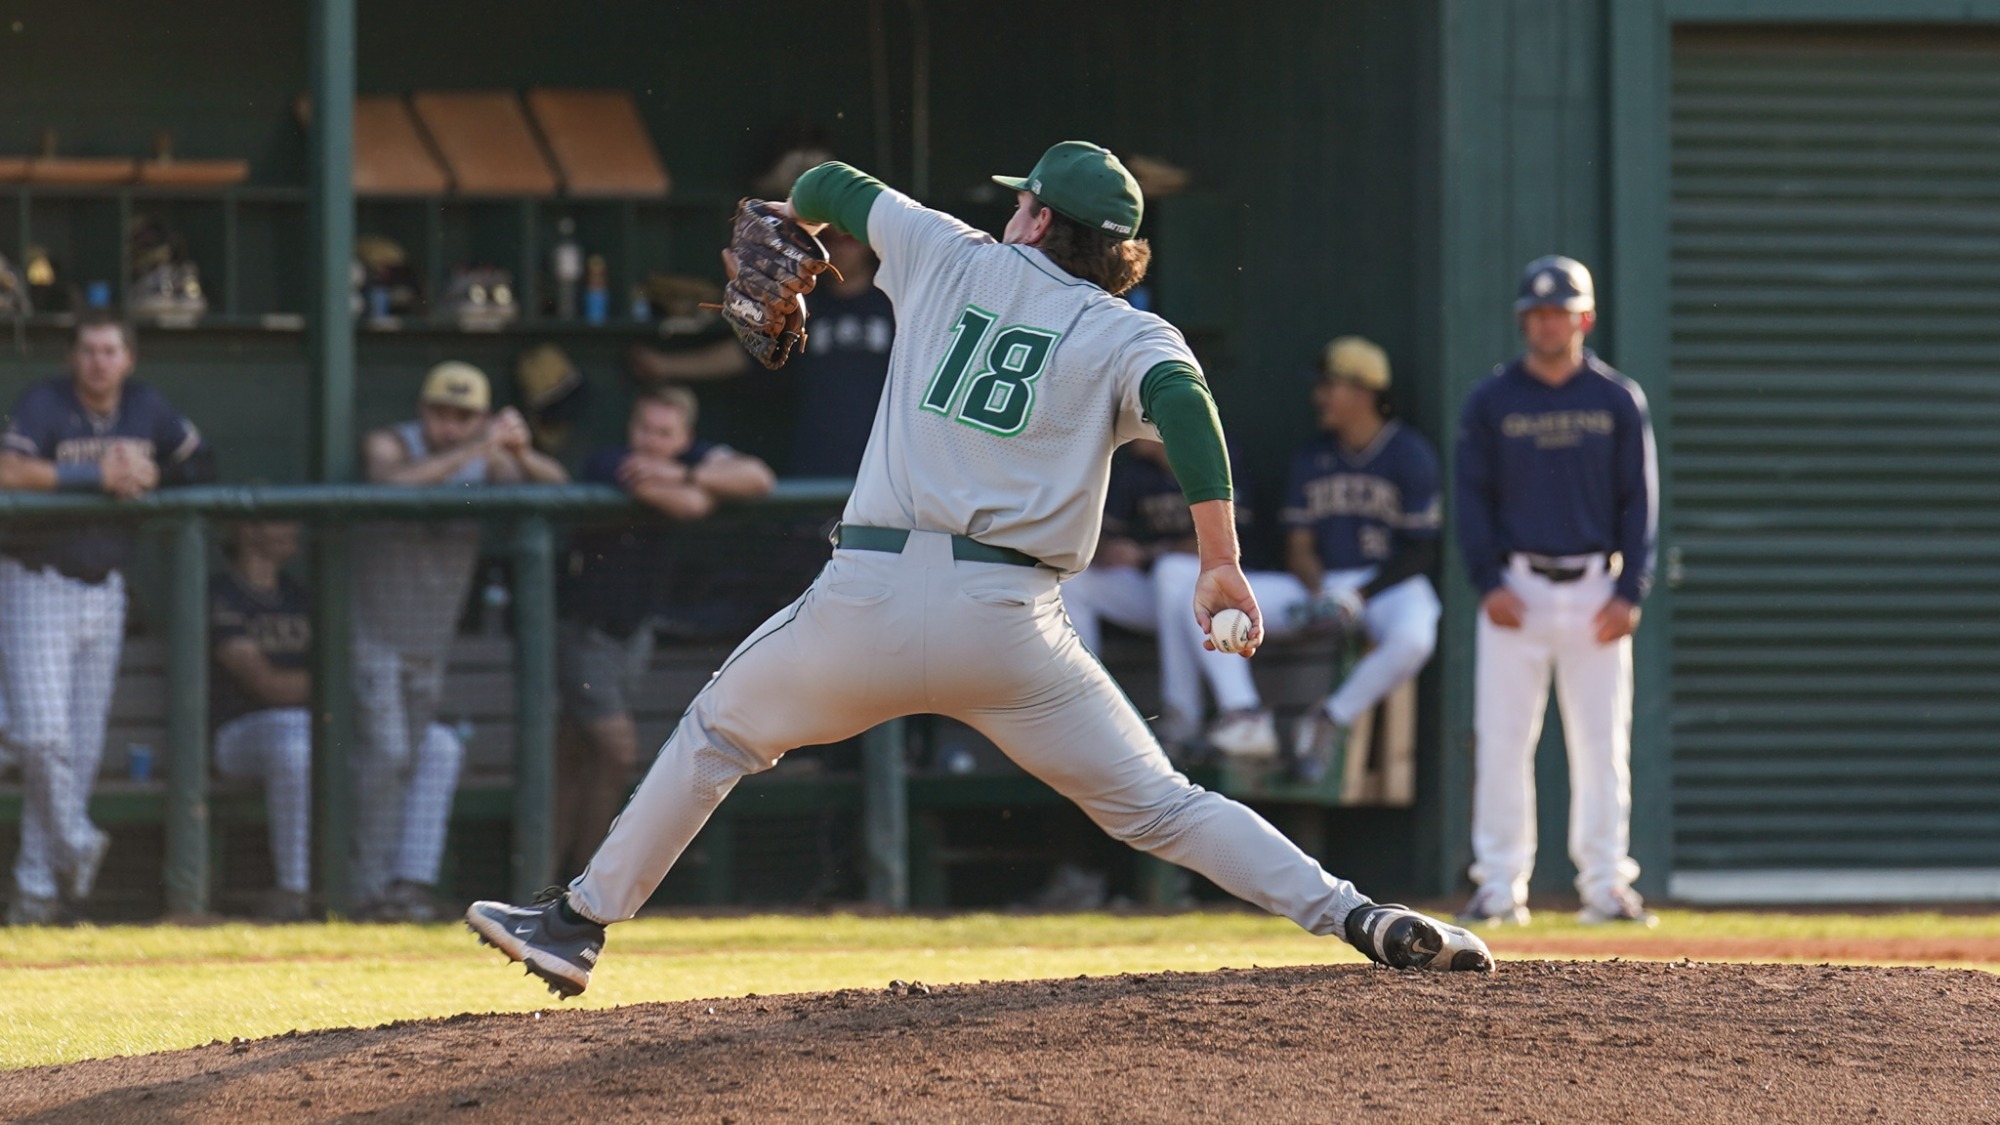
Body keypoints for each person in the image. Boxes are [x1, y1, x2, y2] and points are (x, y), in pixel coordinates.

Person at [468, 140, 1491, 993]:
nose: (1011, 215)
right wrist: (1217, 560)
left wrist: (799, 217)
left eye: (1023, 205)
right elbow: (1185, 407)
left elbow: (826, 182)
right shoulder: (1123, 328)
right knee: (1162, 806)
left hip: (867, 597)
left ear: (1040, 221)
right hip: (1011, 621)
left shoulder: (945, 252)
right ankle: (1355, 915)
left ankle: (578, 924)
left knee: (720, 735)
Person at [1454, 255, 1659, 928]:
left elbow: (1640, 499)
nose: (1548, 323)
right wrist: (1487, 579)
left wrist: (1631, 589)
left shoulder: (1617, 398)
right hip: (1517, 587)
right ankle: (1499, 884)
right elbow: (1472, 498)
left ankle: (1605, 886)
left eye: (1560, 312)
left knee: (1602, 746)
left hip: (1597, 587)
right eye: (1538, 313)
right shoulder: (1491, 400)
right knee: (1503, 742)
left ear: (1585, 318)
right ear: (1524, 320)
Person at [0, 314, 213, 926]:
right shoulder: (46, 402)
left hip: (105, 589)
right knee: (43, 738)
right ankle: (74, 841)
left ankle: (36, 888)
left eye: (110, 350)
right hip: (36, 578)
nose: (99, 361)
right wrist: (96, 475)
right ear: (74, 356)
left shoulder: (146, 407)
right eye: (89, 350)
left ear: (129, 359)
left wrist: (154, 474)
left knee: (83, 749)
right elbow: (9, 470)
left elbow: (202, 462)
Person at [1156, 338, 1444, 782]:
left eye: (1331, 386)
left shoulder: (1409, 454)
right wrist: (1320, 592)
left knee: (1416, 635)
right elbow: (1300, 548)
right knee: (1210, 600)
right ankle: (1244, 715)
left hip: (1385, 586)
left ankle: (1328, 719)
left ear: (1365, 391)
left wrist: (1359, 596)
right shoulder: (1313, 457)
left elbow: (1422, 550)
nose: (1320, 397)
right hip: (1318, 585)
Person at [351, 361, 568, 921]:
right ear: (424, 411)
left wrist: (516, 452)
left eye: (463, 417)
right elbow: (387, 479)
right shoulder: (392, 442)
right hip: (372, 632)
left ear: (481, 417)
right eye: (441, 413)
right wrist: (473, 450)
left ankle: (400, 890)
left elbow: (560, 489)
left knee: (418, 757)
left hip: (430, 640)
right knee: (385, 756)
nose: (449, 424)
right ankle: (364, 890)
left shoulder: (487, 457)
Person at [554, 386, 774, 876]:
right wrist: (691, 481)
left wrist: (686, 470)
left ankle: (558, 881)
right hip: (583, 628)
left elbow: (758, 477)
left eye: (664, 434)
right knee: (616, 751)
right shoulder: (608, 460)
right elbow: (690, 507)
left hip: (633, 631)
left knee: (574, 757)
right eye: (643, 430)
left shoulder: (684, 460)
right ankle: (585, 880)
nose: (650, 443)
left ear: (685, 437)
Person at [1061, 439, 1280, 761]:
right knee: (1075, 582)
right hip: (1170, 594)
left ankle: (1193, 715)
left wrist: (1148, 554)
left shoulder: (1218, 455)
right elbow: (1101, 536)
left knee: (1172, 570)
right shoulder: (1138, 471)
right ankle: (1083, 713)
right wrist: (1110, 551)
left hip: (1242, 587)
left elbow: (1229, 541)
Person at [628, 229, 893, 478]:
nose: (839, 248)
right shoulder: (804, 305)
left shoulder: (893, 305)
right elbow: (747, 351)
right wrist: (666, 365)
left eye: (848, 240)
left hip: (881, 455)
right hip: (817, 452)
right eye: (829, 240)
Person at [210, 521, 314, 922]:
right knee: (295, 746)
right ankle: (294, 890)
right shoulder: (222, 593)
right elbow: (268, 684)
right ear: (247, 530)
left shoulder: (298, 594)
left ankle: (400, 888)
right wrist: (330, 686)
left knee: (436, 746)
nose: (291, 528)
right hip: (238, 735)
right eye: (278, 518)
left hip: (308, 727)